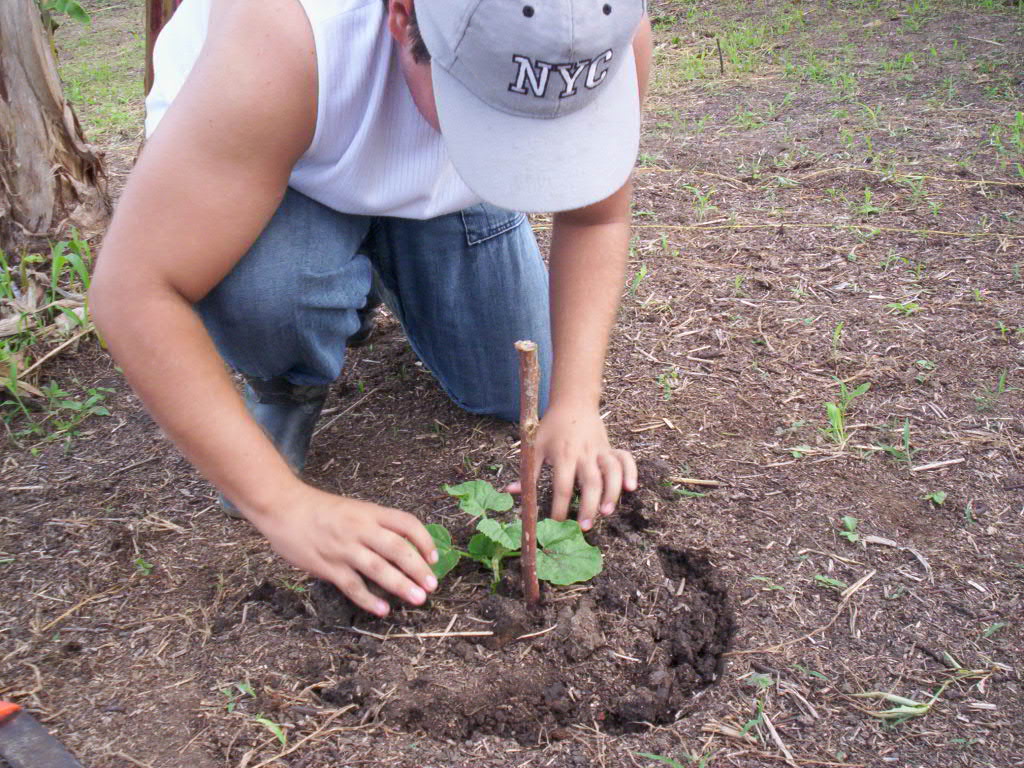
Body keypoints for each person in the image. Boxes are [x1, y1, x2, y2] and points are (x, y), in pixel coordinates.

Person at [90, 0, 652, 618]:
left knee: (513, 387)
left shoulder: (595, 27)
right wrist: (284, 505)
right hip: (285, 174)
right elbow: (135, 290)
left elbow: (597, 216)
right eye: (489, 108)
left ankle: (392, 268)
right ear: (401, 17)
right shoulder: (285, 32)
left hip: (448, 193)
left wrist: (575, 400)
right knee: (271, 295)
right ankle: (290, 375)